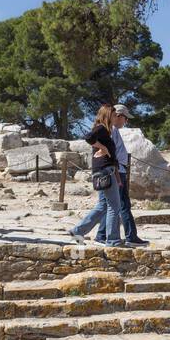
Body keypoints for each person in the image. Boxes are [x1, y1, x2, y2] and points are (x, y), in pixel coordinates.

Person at [70, 105, 125, 247]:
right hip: (105, 171)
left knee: (103, 206)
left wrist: (118, 178)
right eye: (113, 115)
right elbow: (88, 137)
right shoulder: (101, 128)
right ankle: (113, 240)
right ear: (107, 115)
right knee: (114, 206)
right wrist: (103, 147)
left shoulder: (106, 131)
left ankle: (78, 231)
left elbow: (113, 158)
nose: (115, 118)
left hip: (105, 171)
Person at [94, 104, 146, 246]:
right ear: (117, 116)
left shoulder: (112, 130)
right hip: (114, 171)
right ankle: (129, 237)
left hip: (115, 170)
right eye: (125, 118)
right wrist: (116, 172)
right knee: (121, 205)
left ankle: (102, 235)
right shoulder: (110, 130)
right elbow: (110, 153)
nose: (126, 121)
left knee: (108, 205)